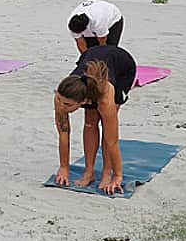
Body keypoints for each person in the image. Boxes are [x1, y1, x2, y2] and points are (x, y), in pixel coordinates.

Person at [53, 45, 138, 195]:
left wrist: (117, 177)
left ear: (84, 101)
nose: (61, 106)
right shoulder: (62, 95)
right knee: (90, 122)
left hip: (122, 67)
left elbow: (112, 141)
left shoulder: (105, 98)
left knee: (106, 125)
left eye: (67, 105)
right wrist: (64, 167)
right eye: (60, 101)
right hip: (91, 55)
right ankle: (89, 171)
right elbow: (63, 133)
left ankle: (106, 172)